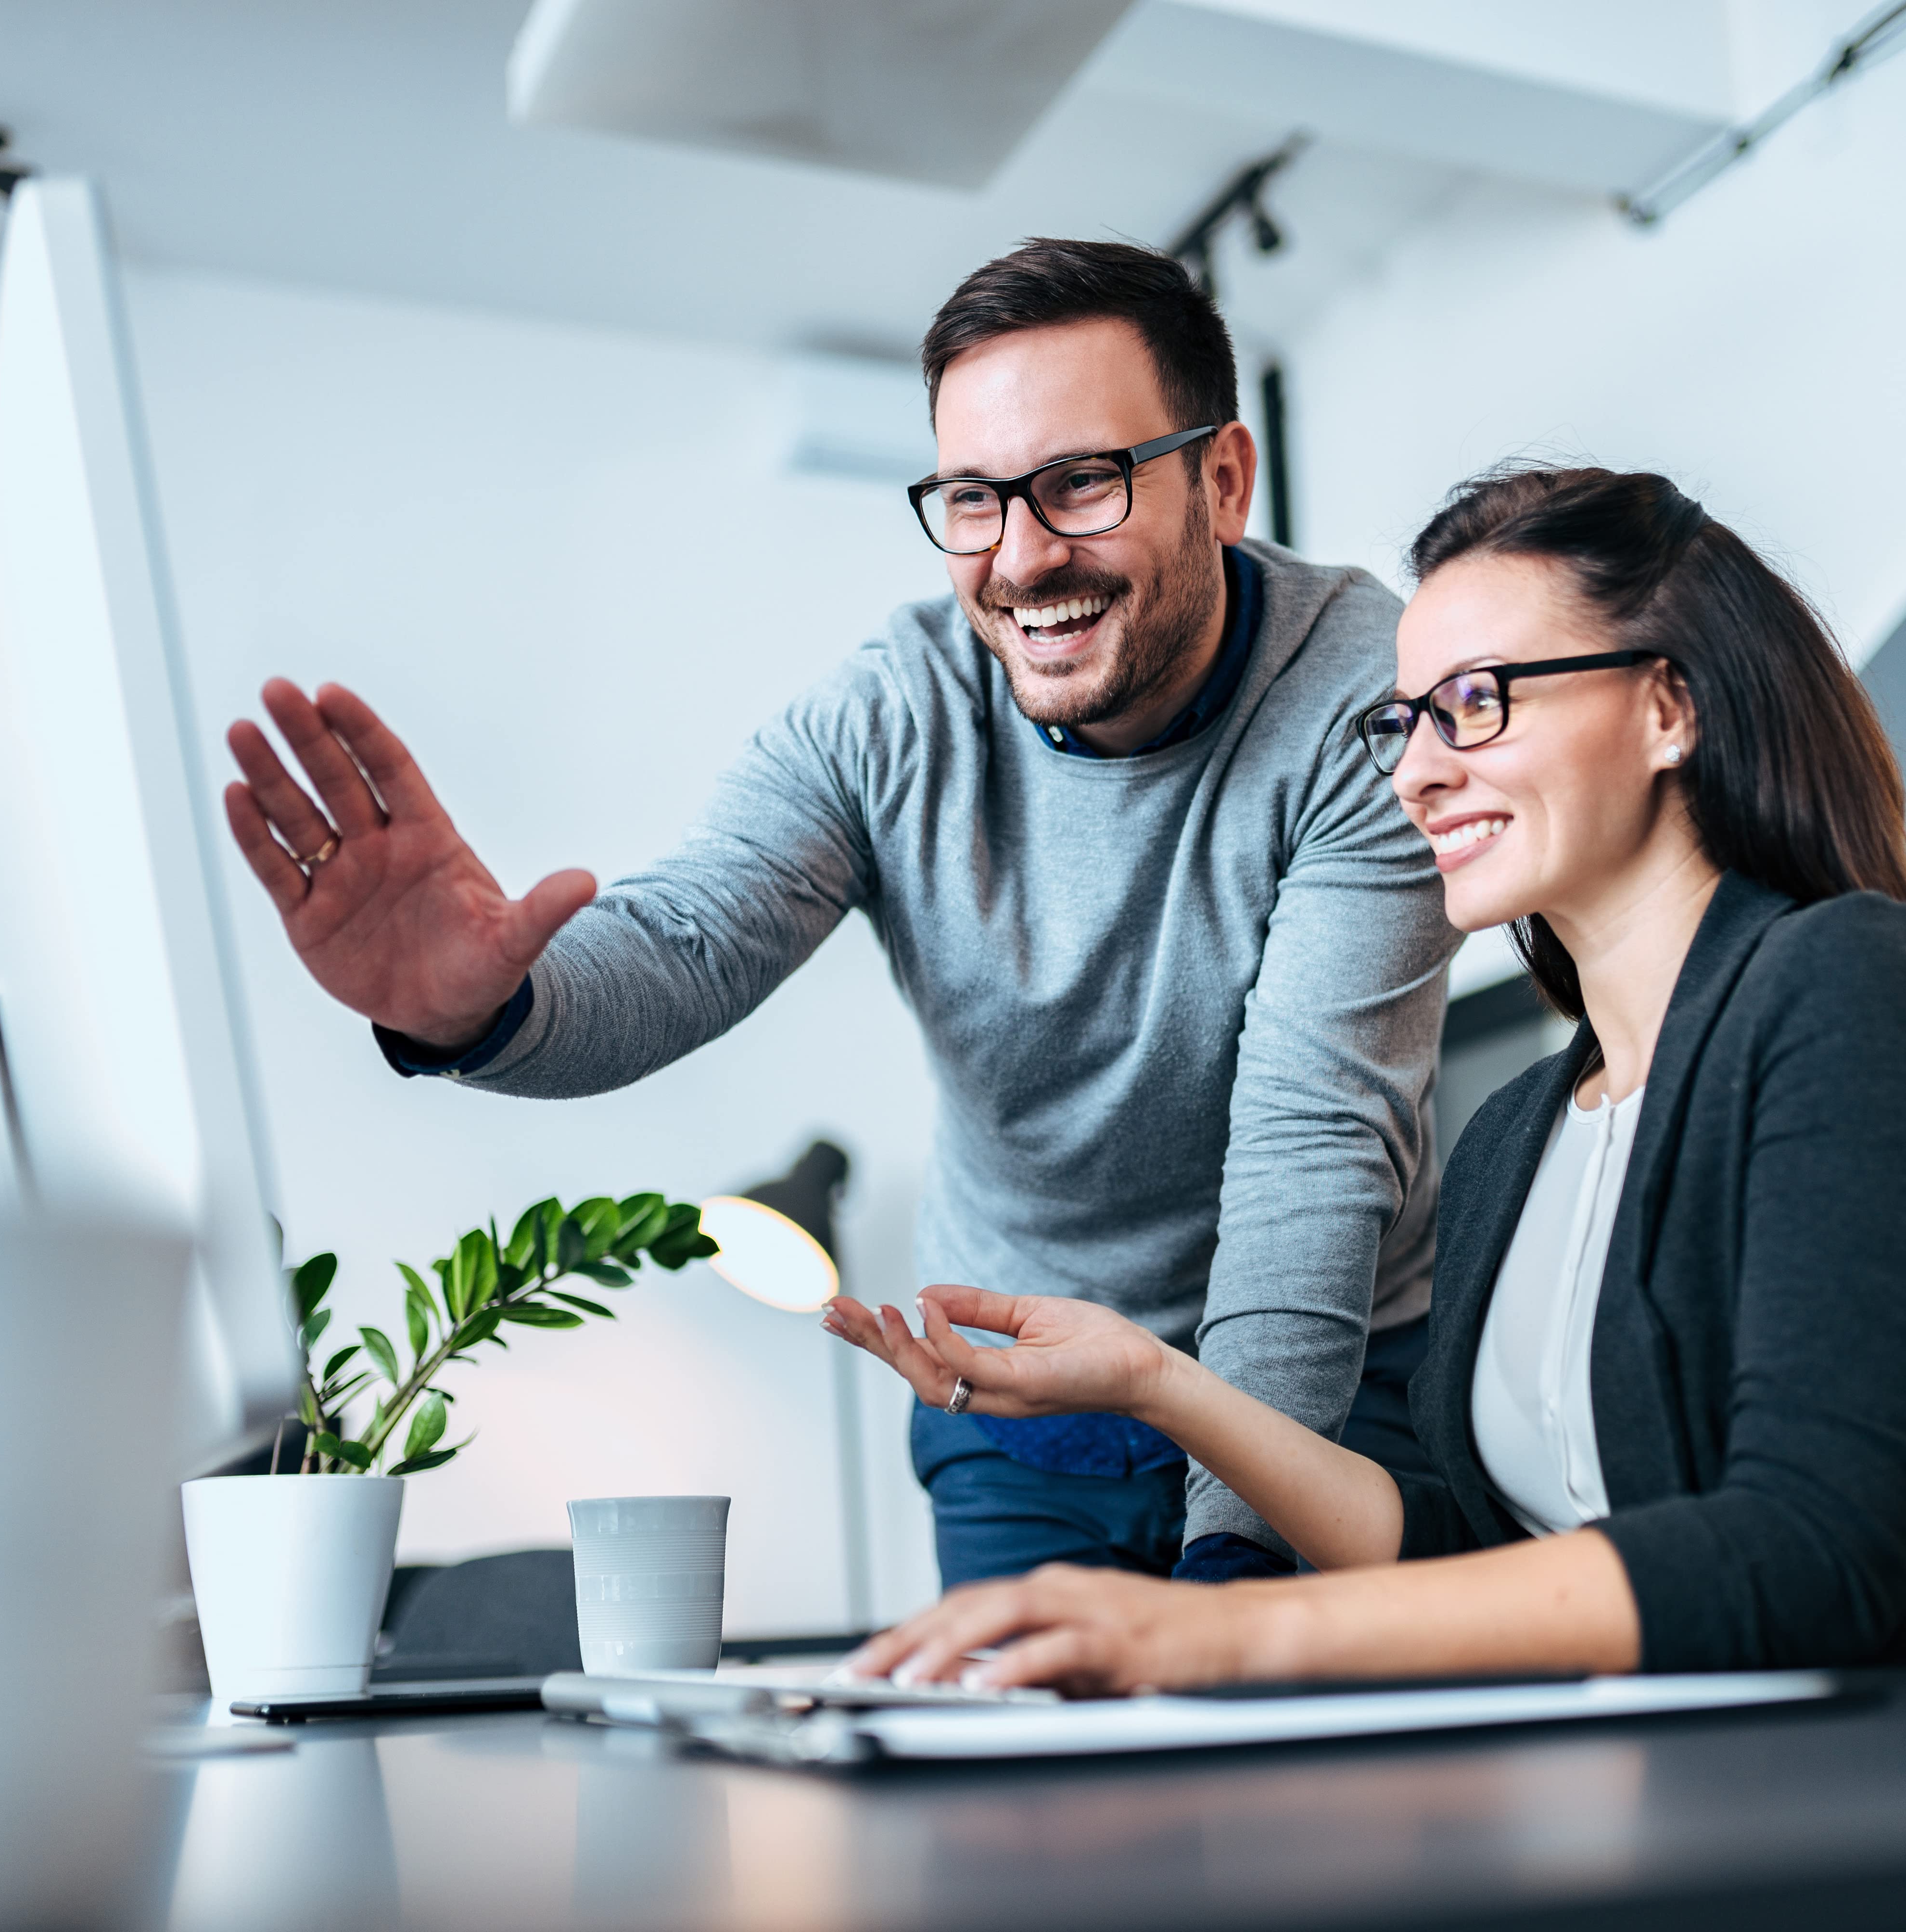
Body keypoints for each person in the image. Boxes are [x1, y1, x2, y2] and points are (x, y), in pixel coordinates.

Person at [218, 240, 1458, 1588]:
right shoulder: (892, 714)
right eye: (974, 499)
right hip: (1014, 1401)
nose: (1023, 557)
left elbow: (1313, 1155)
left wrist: (1237, 1588)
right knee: (1030, 1792)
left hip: (1325, 1383)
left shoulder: (1371, 703)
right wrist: (479, 1008)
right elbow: (689, 940)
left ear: (1222, 480)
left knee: (1306, 1773)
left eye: (1082, 484)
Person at [824, 466, 1906, 1692]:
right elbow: (1474, 1555)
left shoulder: (1848, 990)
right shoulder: (1515, 1140)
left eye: (1476, 701)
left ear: (1670, 706)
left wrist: (1223, 1635)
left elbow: (1806, 1552)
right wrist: (1157, 1386)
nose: (1415, 771)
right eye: (1403, 719)